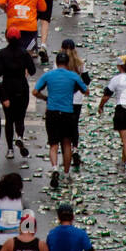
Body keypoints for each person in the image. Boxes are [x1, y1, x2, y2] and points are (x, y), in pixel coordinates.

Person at [33, 50, 87, 190]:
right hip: (68, 113)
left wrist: (45, 98)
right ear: (67, 63)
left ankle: (55, 167)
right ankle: (67, 172)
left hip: (52, 112)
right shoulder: (73, 76)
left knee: (53, 144)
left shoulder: (48, 75)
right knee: (67, 143)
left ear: (56, 63)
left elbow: (35, 91)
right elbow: (85, 90)